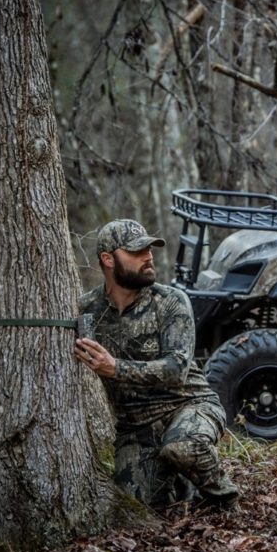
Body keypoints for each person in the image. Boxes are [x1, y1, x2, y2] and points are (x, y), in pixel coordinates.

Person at [76, 218, 239, 510]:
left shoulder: (171, 301)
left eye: (149, 250)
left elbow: (176, 370)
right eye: (137, 252)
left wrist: (115, 368)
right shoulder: (87, 310)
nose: (148, 257)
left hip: (190, 405)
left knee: (182, 447)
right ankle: (180, 479)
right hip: (136, 426)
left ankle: (225, 498)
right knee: (137, 507)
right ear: (108, 259)